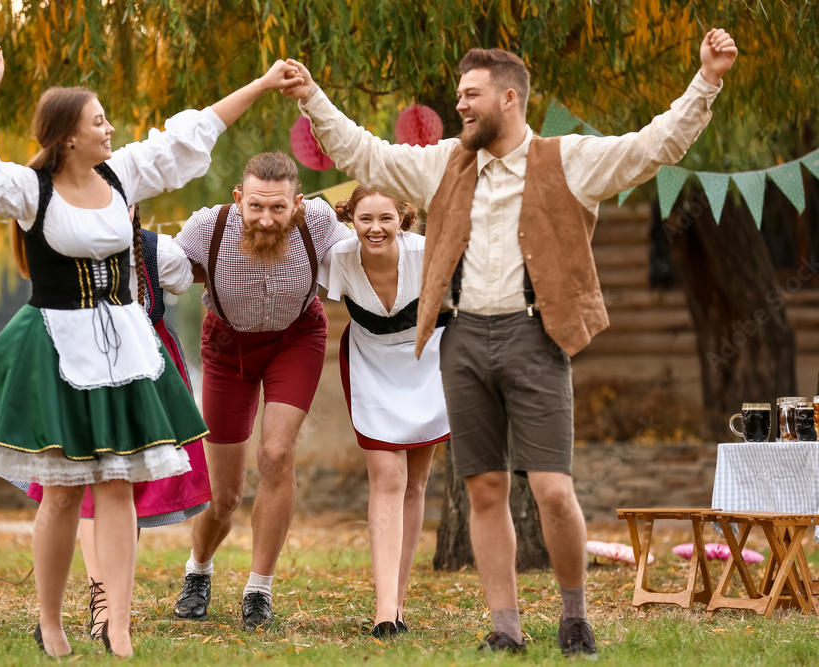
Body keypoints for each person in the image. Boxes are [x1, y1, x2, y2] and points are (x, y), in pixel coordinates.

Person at [284, 28, 738, 656]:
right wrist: (312, 97)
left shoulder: (567, 159)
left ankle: (574, 614)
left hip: (536, 336)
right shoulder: (442, 163)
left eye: (471, 96)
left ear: (509, 99)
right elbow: (367, 156)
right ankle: (506, 626)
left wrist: (706, 81)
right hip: (463, 337)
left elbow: (651, 147)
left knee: (552, 489)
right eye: (459, 96)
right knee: (485, 488)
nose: (461, 105)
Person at [0, 43, 302, 657]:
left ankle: (120, 625)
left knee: (116, 484)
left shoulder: (121, 174)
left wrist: (262, 84)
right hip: (56, 344)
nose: (110, 128)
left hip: (123, 345)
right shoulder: (32, 190)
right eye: (98, 121)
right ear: (68, 138)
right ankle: (51, 622)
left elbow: (194, 132)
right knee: (61, 492)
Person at [172, 151, 352, 631]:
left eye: (278, 208)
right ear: (239, 200)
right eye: (256, 207)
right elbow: (159, 271)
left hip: (296, 338)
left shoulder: (320, 223)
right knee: (224, 494)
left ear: (297, 203)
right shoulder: (205, 229)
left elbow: (371, 255)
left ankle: (258, 589)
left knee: (275, 454)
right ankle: (199, 570)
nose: (267, 220)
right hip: (227, 345)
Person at [22, 203, 212, 643]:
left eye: (117, 201)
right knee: (87, 487)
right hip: (79, 370)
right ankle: (102, 602)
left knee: (125, 490)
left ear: (134, 210)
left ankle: (113, 602)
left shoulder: (155, 252)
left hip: (145, 374)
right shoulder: (62, 247)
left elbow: (190, 277)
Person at [321, 186, 450, 638]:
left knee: (415, 482)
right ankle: (382, 611)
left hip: (425, 360)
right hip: (372, 363)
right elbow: (288, 253)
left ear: (404, 219)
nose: (375, 228)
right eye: (364, 219)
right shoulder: (337, 257)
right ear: (350, 220)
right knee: (388, 478)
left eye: (385, 219)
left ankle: (397, 598)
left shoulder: (426, 252)